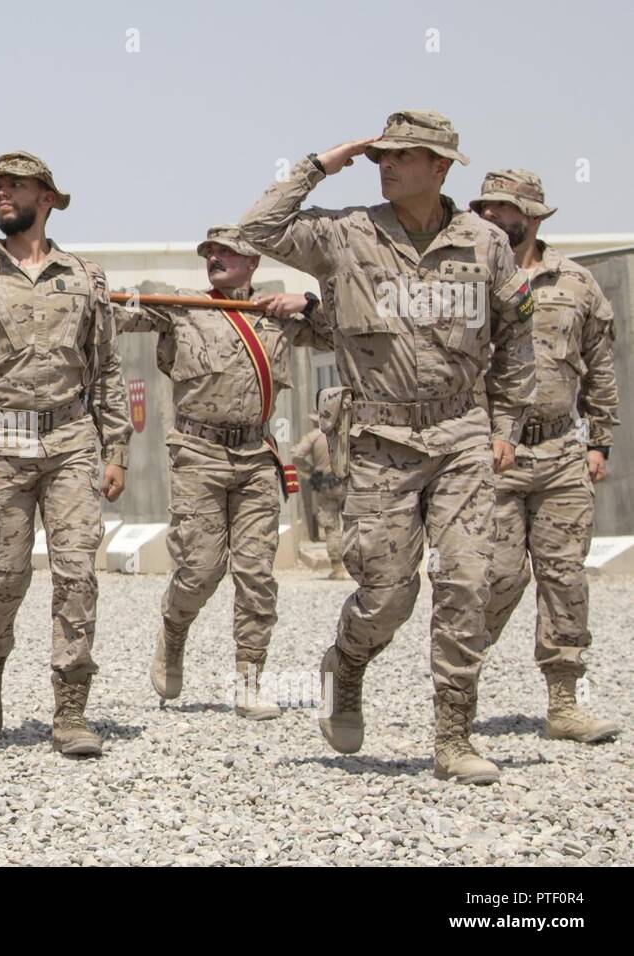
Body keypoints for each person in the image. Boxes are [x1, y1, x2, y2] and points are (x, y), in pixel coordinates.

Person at [238, 110, 537, 784]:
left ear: (441, 168)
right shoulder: (347, 234)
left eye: (405, 156)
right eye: (381, 156)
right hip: (380, 438)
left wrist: (506, 428)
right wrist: (323, 162)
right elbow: (255, 231)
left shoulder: (487, 244)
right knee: (387, 595)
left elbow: (518, 338)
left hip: (462, 430)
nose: (388, 165)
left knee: (466, 579)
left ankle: (454, 737)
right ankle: (345, 665)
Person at [0, 151, 132, 755]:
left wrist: (116, 446)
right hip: (2, 442)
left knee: (77, 573)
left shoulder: (86, 278)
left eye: (15, 187)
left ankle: (71, 711)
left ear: (46, 197)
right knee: (6, 577)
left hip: (72, 439)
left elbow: (107, 368)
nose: (2, 196)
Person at [113, 225, 329, 716]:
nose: (214, 258)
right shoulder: (185, 307)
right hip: (198, 455)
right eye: (209, 252)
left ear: (253, 262)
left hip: (256, 457)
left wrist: (309, 303)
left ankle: (249, 681)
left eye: (225, 252)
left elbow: (343, 329)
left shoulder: (275, 313)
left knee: (256, 572)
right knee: (201, 569)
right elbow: (118, 315)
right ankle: (173, 629)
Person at [472, 169, 620, 743]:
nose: (487, 218)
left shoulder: (577, 282)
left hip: (561, 448)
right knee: (497, 575)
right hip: (493, 450)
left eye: (499, 210)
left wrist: (600, 440)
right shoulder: (468, 283)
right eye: (481, 208)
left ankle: (565, 703)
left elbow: (599, 366)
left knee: (564, 577)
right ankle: (458, 690)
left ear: (530, 217)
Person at [292, 403, 348, 580]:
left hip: (325, 485)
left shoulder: (314, 436)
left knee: (331, 527)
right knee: (354, 524)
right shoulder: (343, 435)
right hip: (347, 483)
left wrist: (310, 472)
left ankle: (338, 568)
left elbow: (296, 455)